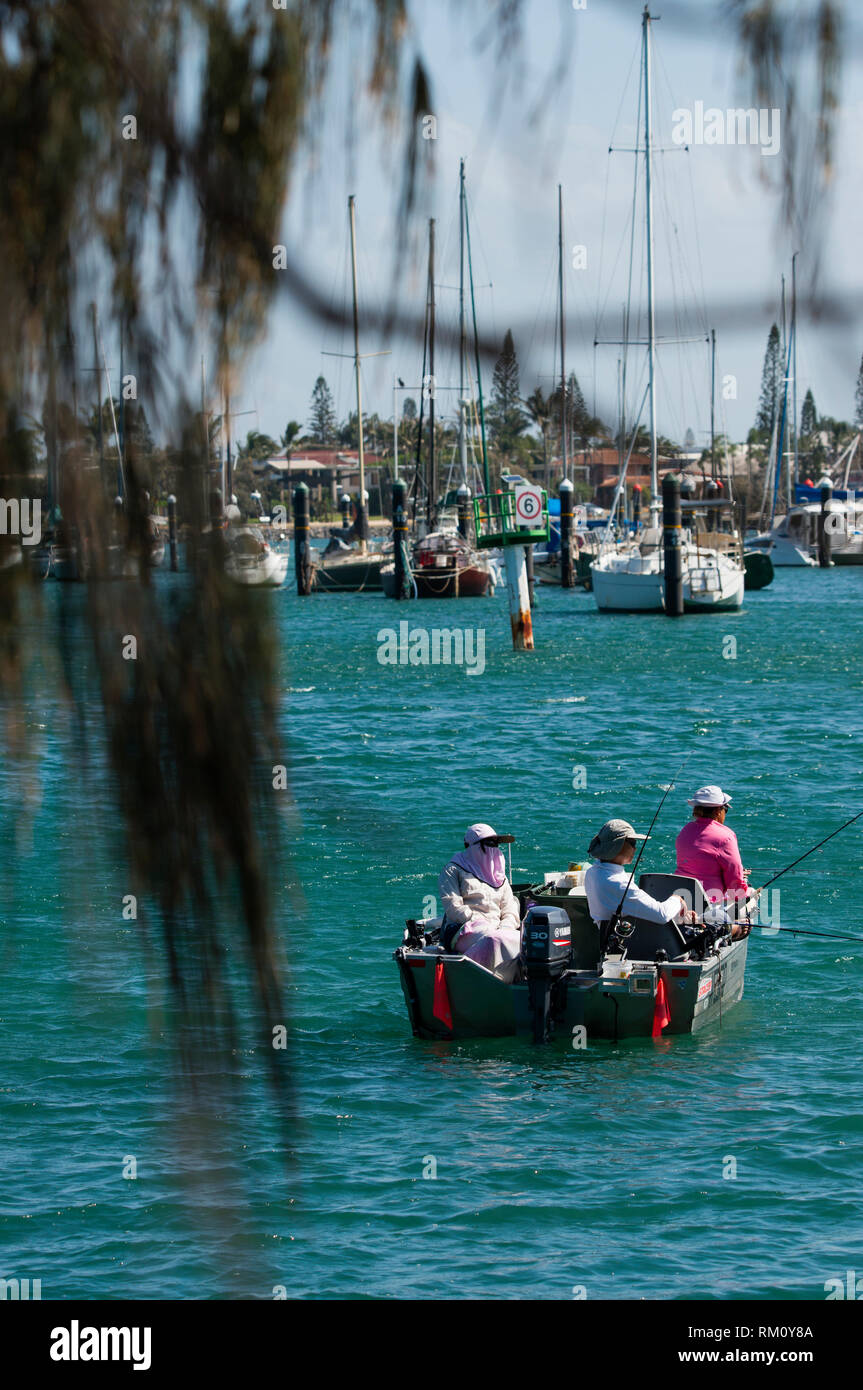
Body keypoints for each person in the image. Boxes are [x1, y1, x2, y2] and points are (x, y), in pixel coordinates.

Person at [439, 824, 522, 982]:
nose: (494, 848)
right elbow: (453, 908)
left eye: (496, 844)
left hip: (497, 928)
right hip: (463, 928)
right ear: (473, 846)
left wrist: (505, 927)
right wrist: (480, 922)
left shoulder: (499, 877)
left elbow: (510, 910)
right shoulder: (453, 870)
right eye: (489, 843)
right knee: (493, 939)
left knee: (523, 941)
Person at [584, 819, 699, 930]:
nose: (635, 848)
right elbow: (662, 915)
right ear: (617, 845)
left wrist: (678, 916)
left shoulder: (593, 873)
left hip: (610, 938)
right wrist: (677, 899)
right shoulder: (618, 884)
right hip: (635, 944)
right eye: (632, 842)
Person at [675, 785, 751, 917]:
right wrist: (745, 889)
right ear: (717, 811)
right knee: (746, 916)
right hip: (708, 903)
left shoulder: (686, 830)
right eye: (725, 809)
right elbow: (734, 884)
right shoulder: (725, 836)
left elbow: (698, 867)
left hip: (680, 896)